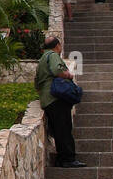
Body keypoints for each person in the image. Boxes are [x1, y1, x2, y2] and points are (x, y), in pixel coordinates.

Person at [36, 36, 85, 168]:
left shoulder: (42, 59)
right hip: (56, 98)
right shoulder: (52, 56)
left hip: (47, 99)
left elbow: (37, 82)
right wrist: (69, 75)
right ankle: (68, 159)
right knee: (64, 128)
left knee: (59, 129)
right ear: (57, 45)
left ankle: (62, 158)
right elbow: (57, 70)